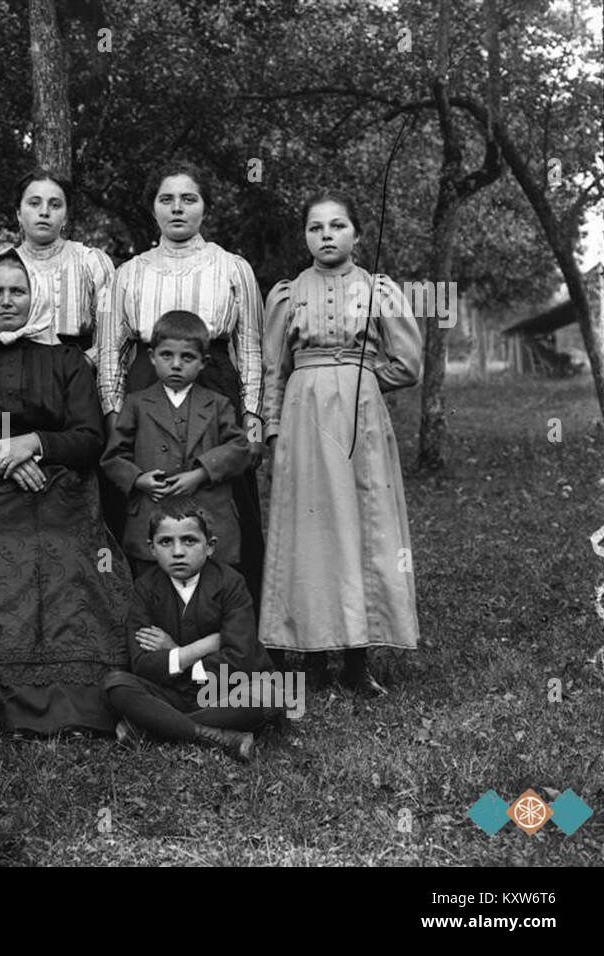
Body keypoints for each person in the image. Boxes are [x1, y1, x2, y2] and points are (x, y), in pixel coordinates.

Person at [0, 249, 130, 736]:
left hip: (56, 483)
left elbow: (88, 437)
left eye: (18, 291)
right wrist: (3, 457)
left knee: (65, 550)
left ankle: (80, 705)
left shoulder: (65, 359)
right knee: (2, 551)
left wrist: (35, 443)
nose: (7, 301)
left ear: (36, 297)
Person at [259, 192, 422, 696]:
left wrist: (357, 375)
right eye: (315, 227)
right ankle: (309, 654)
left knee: (360, 528)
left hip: (360, 419)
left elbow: (408, 364)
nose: (326, 235)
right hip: (303, 419)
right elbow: (273, 369)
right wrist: (271, 426)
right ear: (304, 236)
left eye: (337, 226)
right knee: (308, 532)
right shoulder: (287, 294)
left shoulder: (379, 291)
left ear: (357, 234)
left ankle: (356, 658)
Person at [96, 163, 267, 607]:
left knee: (226, 507)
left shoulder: (233, 267)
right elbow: (112, 351)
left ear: (204, 207)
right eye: (166, 199)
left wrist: (252, 417)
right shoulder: (129, 272)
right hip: (144, 389)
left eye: (188, 199)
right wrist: (115, 416)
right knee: (142, 505)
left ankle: (230, 622)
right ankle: (143, 622)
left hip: (215, 385)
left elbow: (248, 347)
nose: (177, 208)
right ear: (153, 207)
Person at [103, 510, 281, 762]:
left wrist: (172, 651)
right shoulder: (145, 587)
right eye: (165, 542)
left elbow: (239, 658)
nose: (177, 552)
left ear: (210, 546)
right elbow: (142, 664)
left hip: (225, 689)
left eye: (189, 541)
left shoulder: (230, 583)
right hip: (171, 693)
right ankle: (217, 736)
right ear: (151, 548)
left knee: (267, 695)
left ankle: (153, 727)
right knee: (116, 684)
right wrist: (199, 648)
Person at [101, 310, 252, 579]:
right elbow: (113, 458)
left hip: (208, 515)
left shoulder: (218, 404)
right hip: (152, 515)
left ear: (203, 363)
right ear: (152, 358)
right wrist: (138, 479)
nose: (176, 365)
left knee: (211, 589)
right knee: (153, 588)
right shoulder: (136, 403)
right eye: (167, 355)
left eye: (187, 357)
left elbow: (240, 448)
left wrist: (201, 473)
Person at [0, 167, 115, 356]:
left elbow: (113, 335)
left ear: (66, 216)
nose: (44, 212)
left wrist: (81, 367)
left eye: (55, 205)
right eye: (34, 203)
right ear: (19, 213)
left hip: (79, 373)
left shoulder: (92, 263)